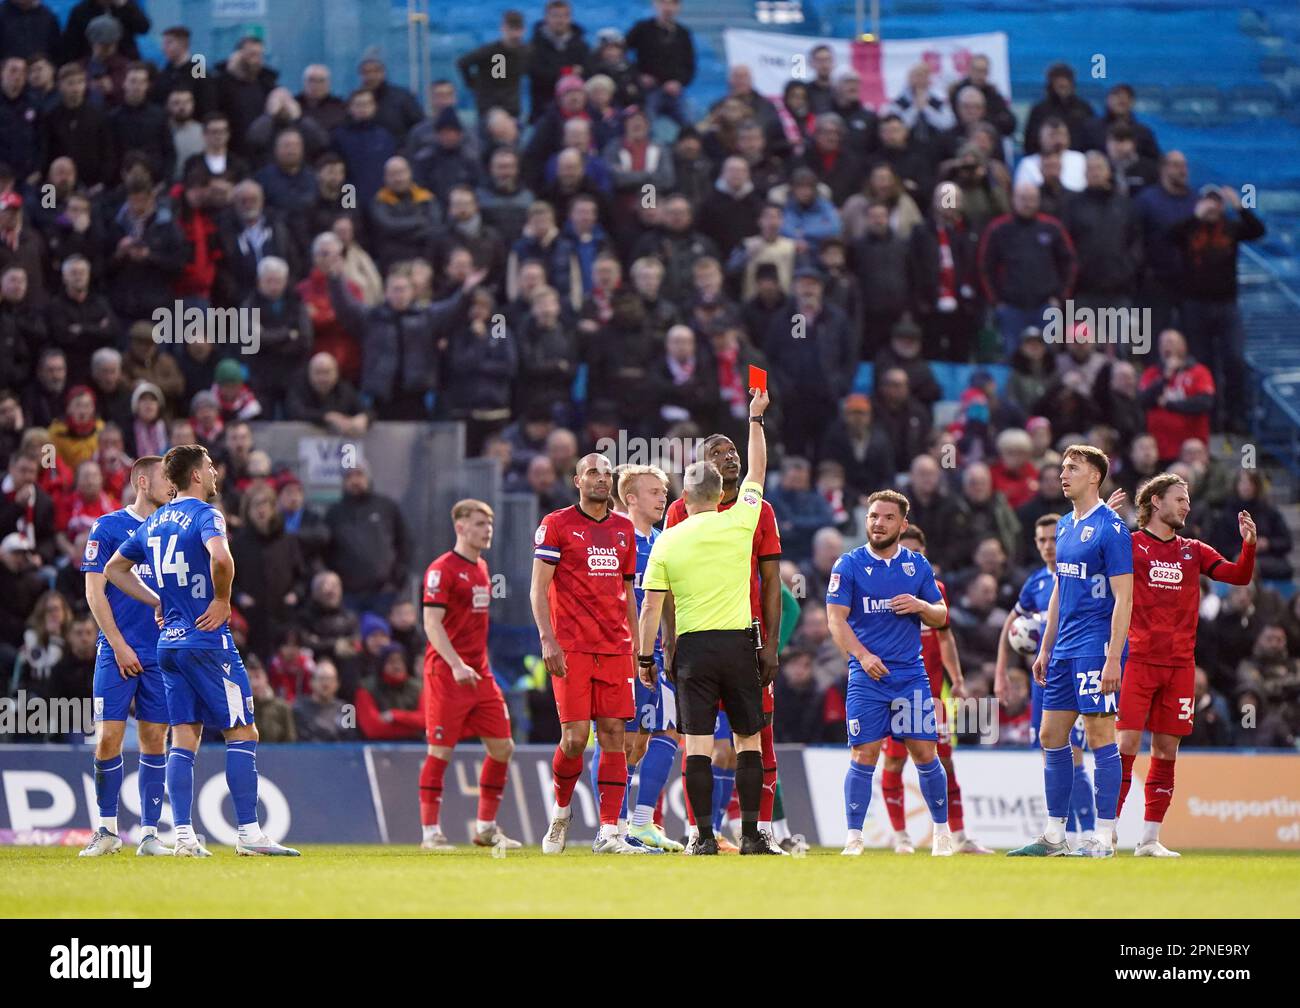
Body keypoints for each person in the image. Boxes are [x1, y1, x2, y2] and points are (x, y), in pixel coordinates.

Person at [105, 444, 299, 856]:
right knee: (243, 730)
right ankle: (248, 833)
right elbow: (222, 560)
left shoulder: (154, 522)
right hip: (208, 641)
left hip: (168, 646)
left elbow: (113, 569)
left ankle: (184, 837)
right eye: (209, 467)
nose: (214, 473)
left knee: (184, 737)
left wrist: (157, 601)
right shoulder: (207, 515)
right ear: (195, 475)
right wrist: (222, 600)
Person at [639, 388, 779, 856]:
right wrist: (755, 419)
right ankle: (753, 834)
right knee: (748, 742)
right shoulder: (741, 521)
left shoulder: (667, 541)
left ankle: (700, 836)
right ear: (720, 493)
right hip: (739, 643)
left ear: (685, 495)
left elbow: (651, 607)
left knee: (696, 746)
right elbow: (757, 471)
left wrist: (648, 655)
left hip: (692, 650)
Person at [1111, 473, 1255, 856]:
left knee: (1166, 751)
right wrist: (1102, 526)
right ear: (1156, 502)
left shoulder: (1194, 550)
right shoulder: (1130, 544)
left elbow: (1238, 575)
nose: (1187, 505)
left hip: (1179, 667)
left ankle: (1149, 839)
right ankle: (1104, 832)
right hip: (1139, 660)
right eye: (1180, 498)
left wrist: (1249, 546)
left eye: (1188, 499)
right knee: (1124, 744)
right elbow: (1090, 561)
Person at [1009, 445, 1131, 858]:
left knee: (1099, 736)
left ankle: (1103, 835)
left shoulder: (1111, 528)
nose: (1063, 474)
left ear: (1094, 477)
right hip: (1063, 648)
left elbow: (1124, 597)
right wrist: (1045, 646)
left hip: (1097, 648)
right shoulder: (1063, 525)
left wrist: (1114, 657)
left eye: (1073, 468)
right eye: (1063, 467)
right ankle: (1054, 835)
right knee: (1050, 735)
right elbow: (1061, 588)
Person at [826, 490, 955, 856]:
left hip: (910, 675)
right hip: (868, 678)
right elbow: (836, 620)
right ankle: (854, 836)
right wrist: (863, 656)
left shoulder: (917, 566)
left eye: (887, 518)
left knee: (925, 754)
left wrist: (920, 605)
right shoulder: (848, 565)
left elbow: (942, 615)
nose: (878, 523)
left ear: (903, 524)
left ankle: (942, 833)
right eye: (873, 517)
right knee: (865, 755)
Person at [531, 451, 642, 854]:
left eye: (607, 473)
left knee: (615, 735)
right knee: (576, 738)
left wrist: (637, 644)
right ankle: (561, 814)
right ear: (577, 481)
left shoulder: (623, 530)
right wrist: (547, 638)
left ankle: (610, 831)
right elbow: (538, 588)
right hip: (572, 647)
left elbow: (628, 592)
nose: (601, 478)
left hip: (614, 647)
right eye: (593, 472)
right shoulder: (556, 525)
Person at [876, 524, 994, 854]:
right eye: (905, 550)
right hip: (895, 695)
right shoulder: (882, 591)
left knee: (944, 763)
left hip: (931, 697)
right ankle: (901, 837)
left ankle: (958, 836)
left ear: (924, 555)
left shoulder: (935, 591)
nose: (910, 557)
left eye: (916, 551)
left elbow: (945, 638)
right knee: (895, 764)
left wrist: (956, 680)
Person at [77, 456, 173, 857]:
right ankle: (107, 829)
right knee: (108, 738)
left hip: (162, 651)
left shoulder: (174, 531)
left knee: (155, 739)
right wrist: (117, 643)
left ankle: (149, 834)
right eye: (167, 478)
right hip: (116, 650)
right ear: (142, 481)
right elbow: (94, 592)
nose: (172, 486)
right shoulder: (109, 527)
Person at [418, 499, 521, 851]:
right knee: (440, 751)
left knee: (503, 747)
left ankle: (486, 827)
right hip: (447, 674)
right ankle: (430, 833)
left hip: (480, 675)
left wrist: (473, 664)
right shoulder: (441, 570)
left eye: (488, 523)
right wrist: (456, 664)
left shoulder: (481, 568)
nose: (486, 529)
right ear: (460, 527)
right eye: (479, 523)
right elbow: (431, 624)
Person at [613, 465, 683, 852]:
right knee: (626, 742)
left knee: (669, 730)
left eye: (664, 491)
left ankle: (641, 824)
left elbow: (669, 601)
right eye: (654, 492)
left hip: (660, 654)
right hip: (623, 653)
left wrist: (670, 646)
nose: (663, 498)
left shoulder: (664, 542)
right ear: (631, 499)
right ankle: (614, 828)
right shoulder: (614, 539)